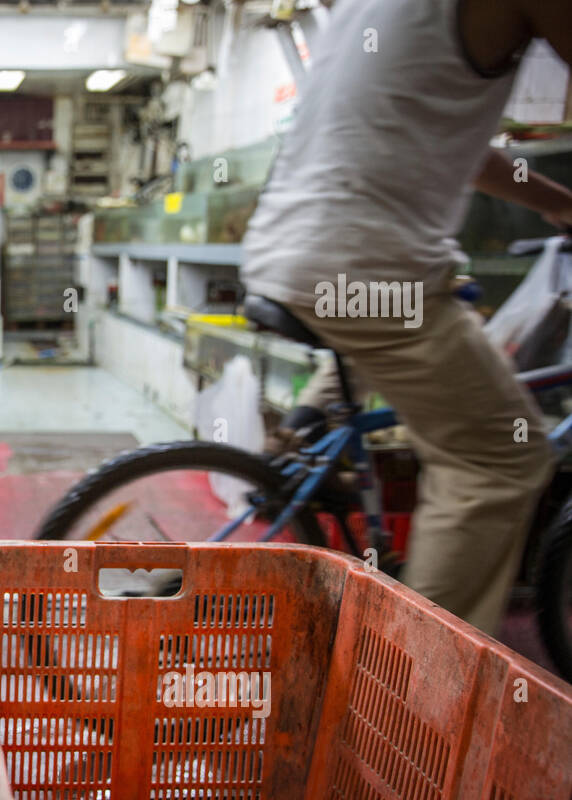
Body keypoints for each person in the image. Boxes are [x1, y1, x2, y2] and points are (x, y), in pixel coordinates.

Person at [241, 0, 572, 637]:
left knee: (423, 313)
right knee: (498, 458)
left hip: (295, 251)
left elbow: (467, 150)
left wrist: (560, 203)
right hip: (368, 263)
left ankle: (303, 436)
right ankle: (418, 682)